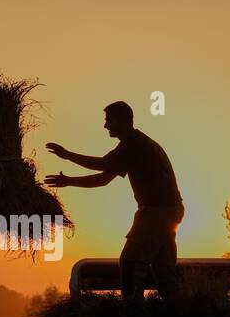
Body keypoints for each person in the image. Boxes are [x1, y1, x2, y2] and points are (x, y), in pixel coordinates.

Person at [44, 100, 184, 299]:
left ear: (122, 120)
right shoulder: (135, 145)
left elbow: (103, 164)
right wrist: (69, 181)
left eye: (109, 120)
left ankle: (132, 314)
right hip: (169, 212)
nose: (105, 125)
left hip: (156, 213)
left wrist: (67, 155)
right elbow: (104, 179)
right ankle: (178, 314)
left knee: (130, 262)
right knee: (164, 273)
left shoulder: (133, 145)